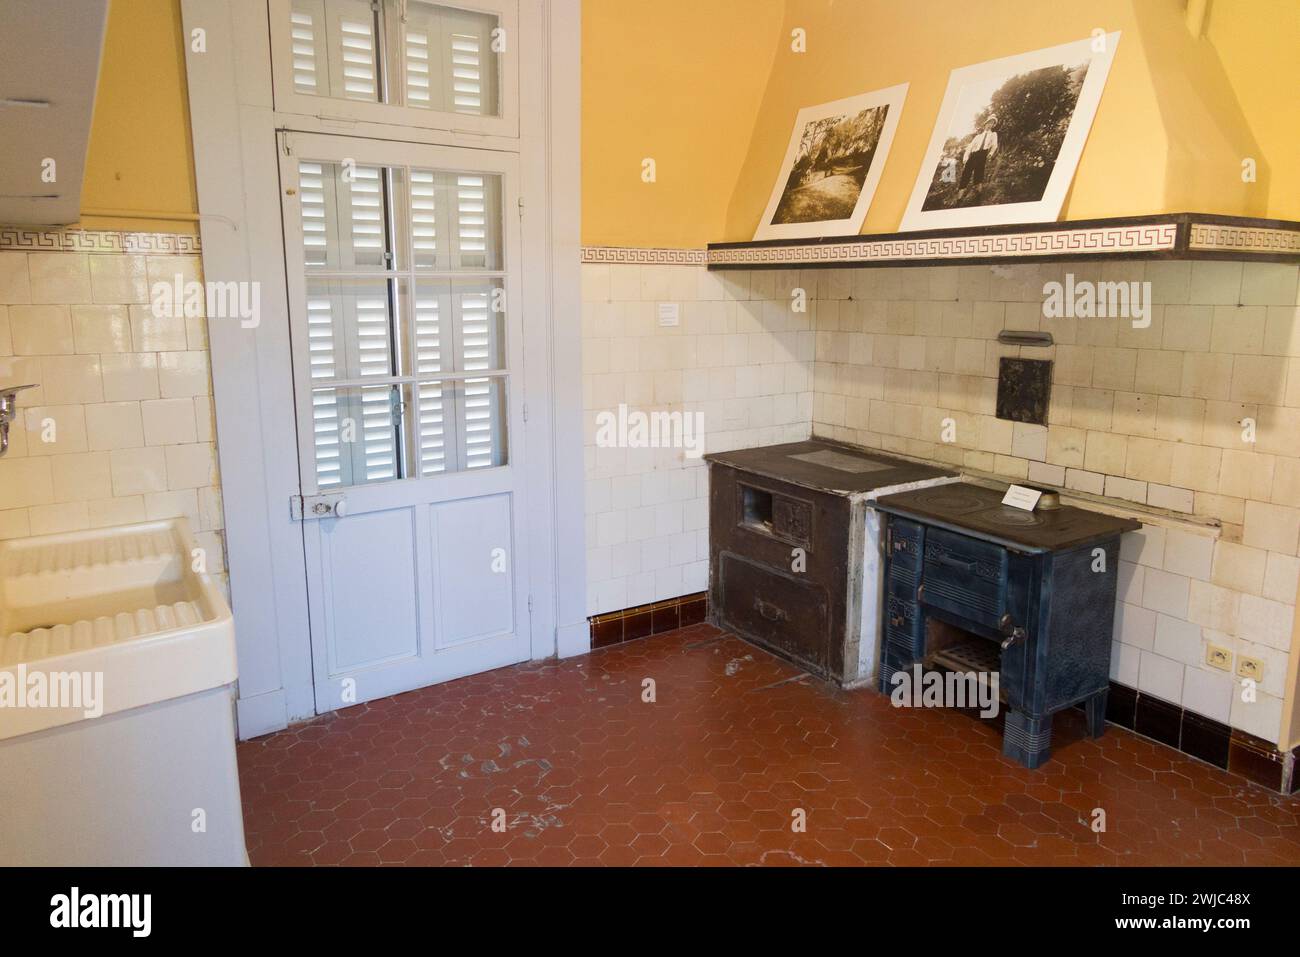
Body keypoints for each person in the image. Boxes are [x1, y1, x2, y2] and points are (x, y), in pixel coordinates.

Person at [958, 114, 999, 195]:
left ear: (993, 125)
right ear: (985, 124)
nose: (990, 124)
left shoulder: (993, 134)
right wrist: (965, 157)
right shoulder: (978, 136)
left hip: (983, 155)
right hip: (974, 155)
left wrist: (990, 153)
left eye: (992, 123)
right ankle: (959, 198)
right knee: (966, 174)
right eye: (989, 122)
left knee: (979, 175)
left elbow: (994, 145)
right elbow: (970, 147)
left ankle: (978, 197)